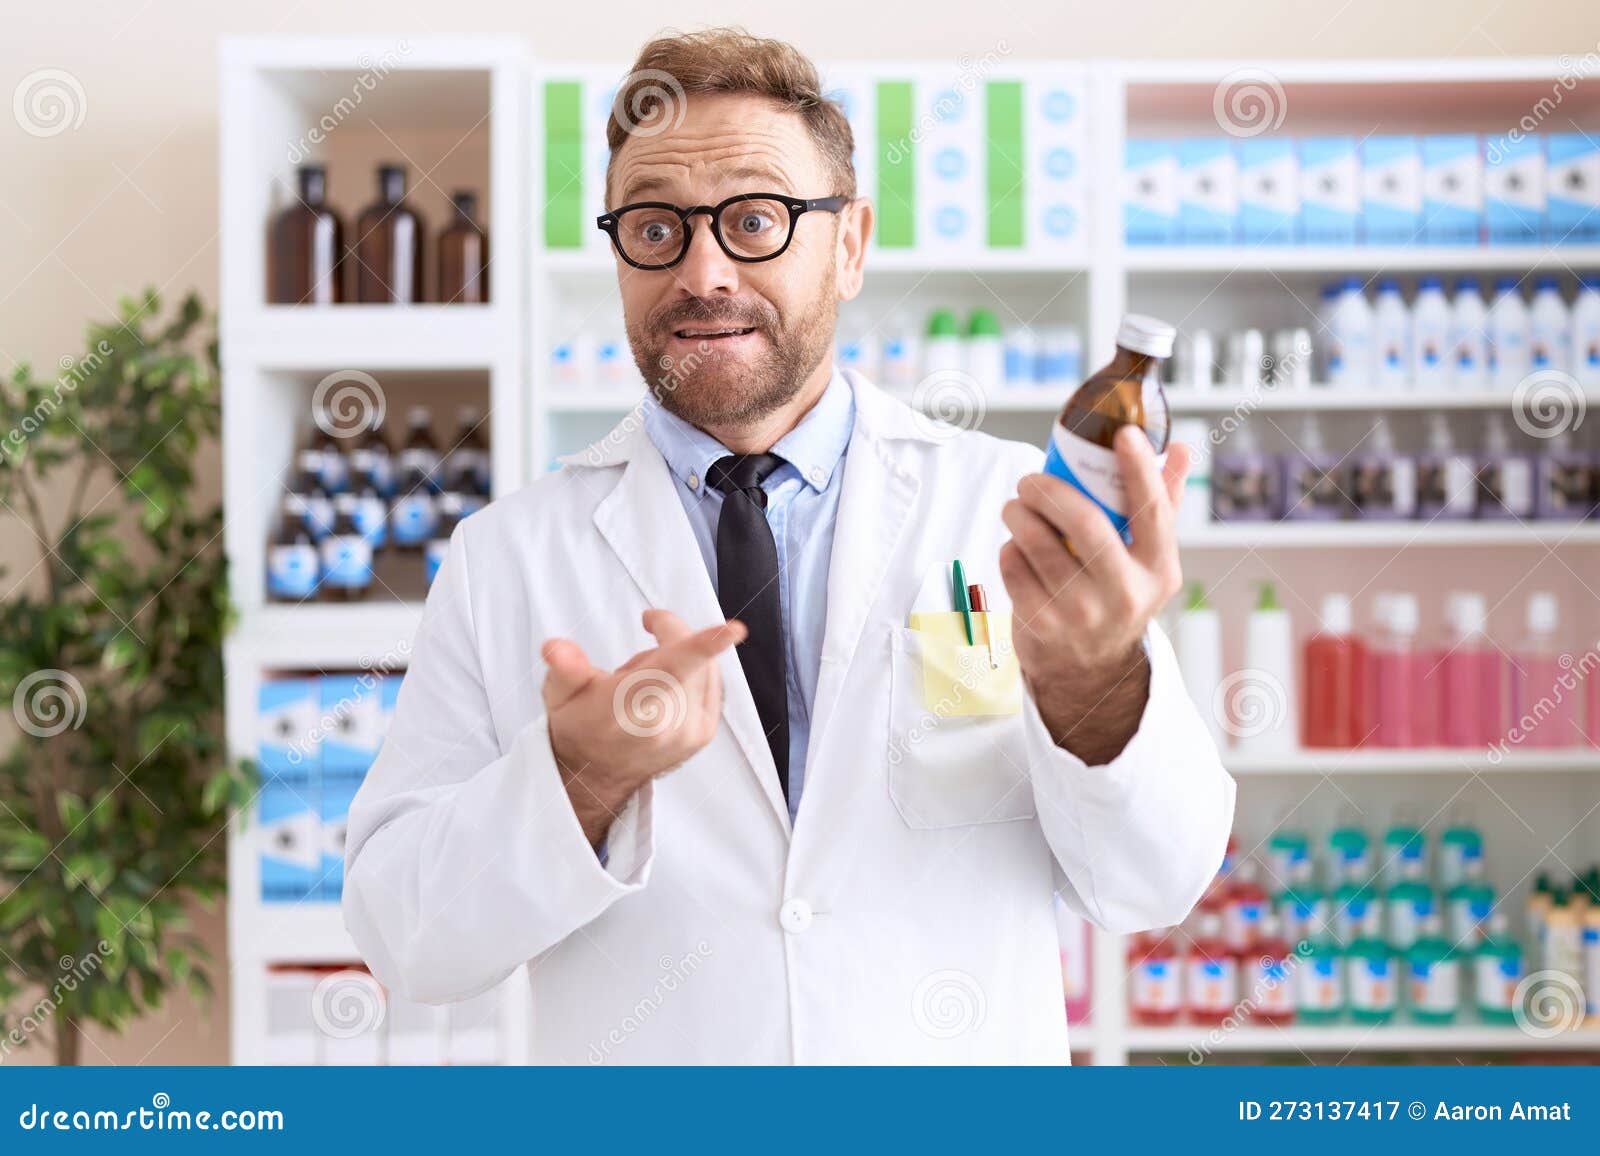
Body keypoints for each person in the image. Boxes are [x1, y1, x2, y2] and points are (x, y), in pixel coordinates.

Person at [344, 27, 1234, 1063]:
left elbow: (1154, 882)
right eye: (654, 227)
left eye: (756, 220)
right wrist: (575, 779)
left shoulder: (1007, 510)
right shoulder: (508, 556)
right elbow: (404, 938)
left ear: (849, 244)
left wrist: (1094, 689)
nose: (703, 270)